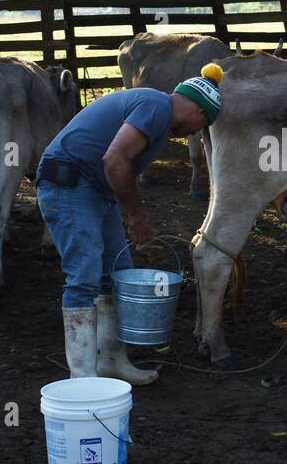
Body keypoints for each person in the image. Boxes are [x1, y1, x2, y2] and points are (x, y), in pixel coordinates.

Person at [36, 63, 223, 385]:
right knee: (84, 274)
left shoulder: (157, 113)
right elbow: (115, 159)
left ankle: (110, 359)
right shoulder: (156, 107)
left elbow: (112, 163)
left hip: (94, 187)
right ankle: (81, 377)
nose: (194, 132)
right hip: (69, 182)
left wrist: (127, 210)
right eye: (202, 124)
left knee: (116, 271)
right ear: (197, 110)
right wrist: (136, 214)